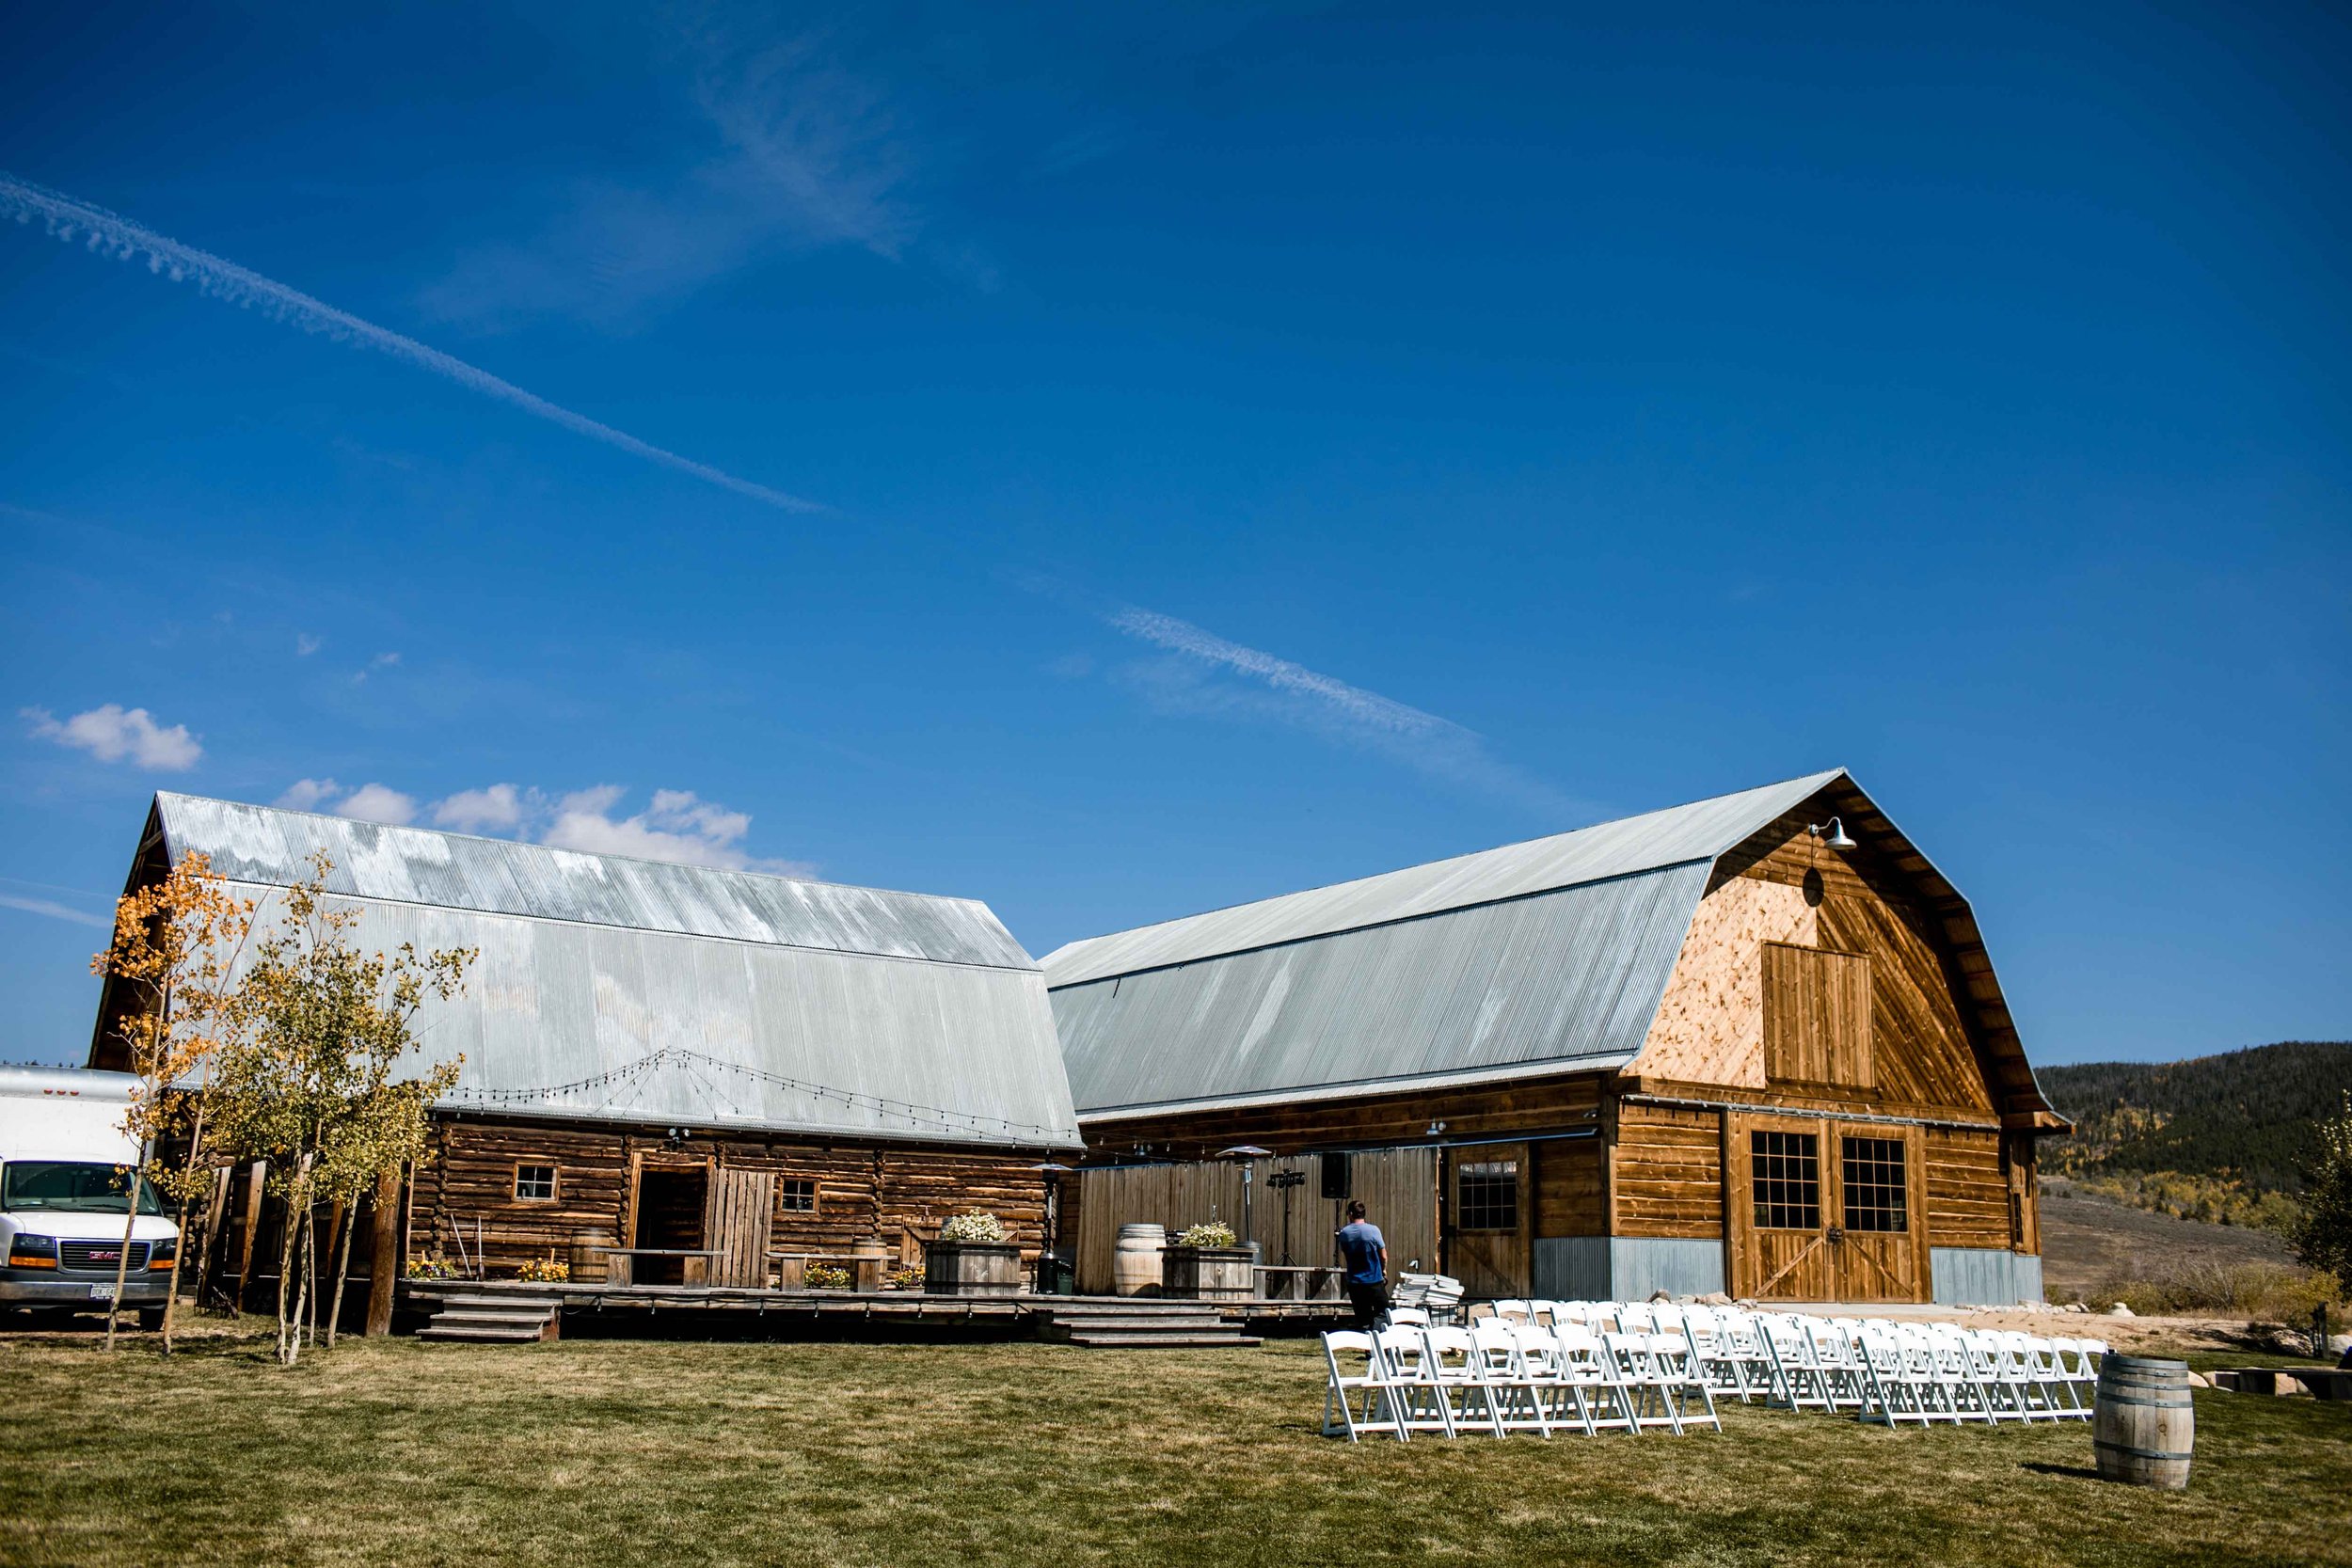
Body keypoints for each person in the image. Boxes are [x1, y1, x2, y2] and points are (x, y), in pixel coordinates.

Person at [1336, 1199, 1390, 1332]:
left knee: (1363, 1316)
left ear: (1350, 1214)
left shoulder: (1344, 1233)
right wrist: (1383, 1270)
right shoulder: (1373, 1230)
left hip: (1354, 1281)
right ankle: (1377, 1343)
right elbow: (1383, 1255)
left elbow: (1344, 1251)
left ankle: (1367, 1345)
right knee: (1383, 1313)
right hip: (1374, 1280)